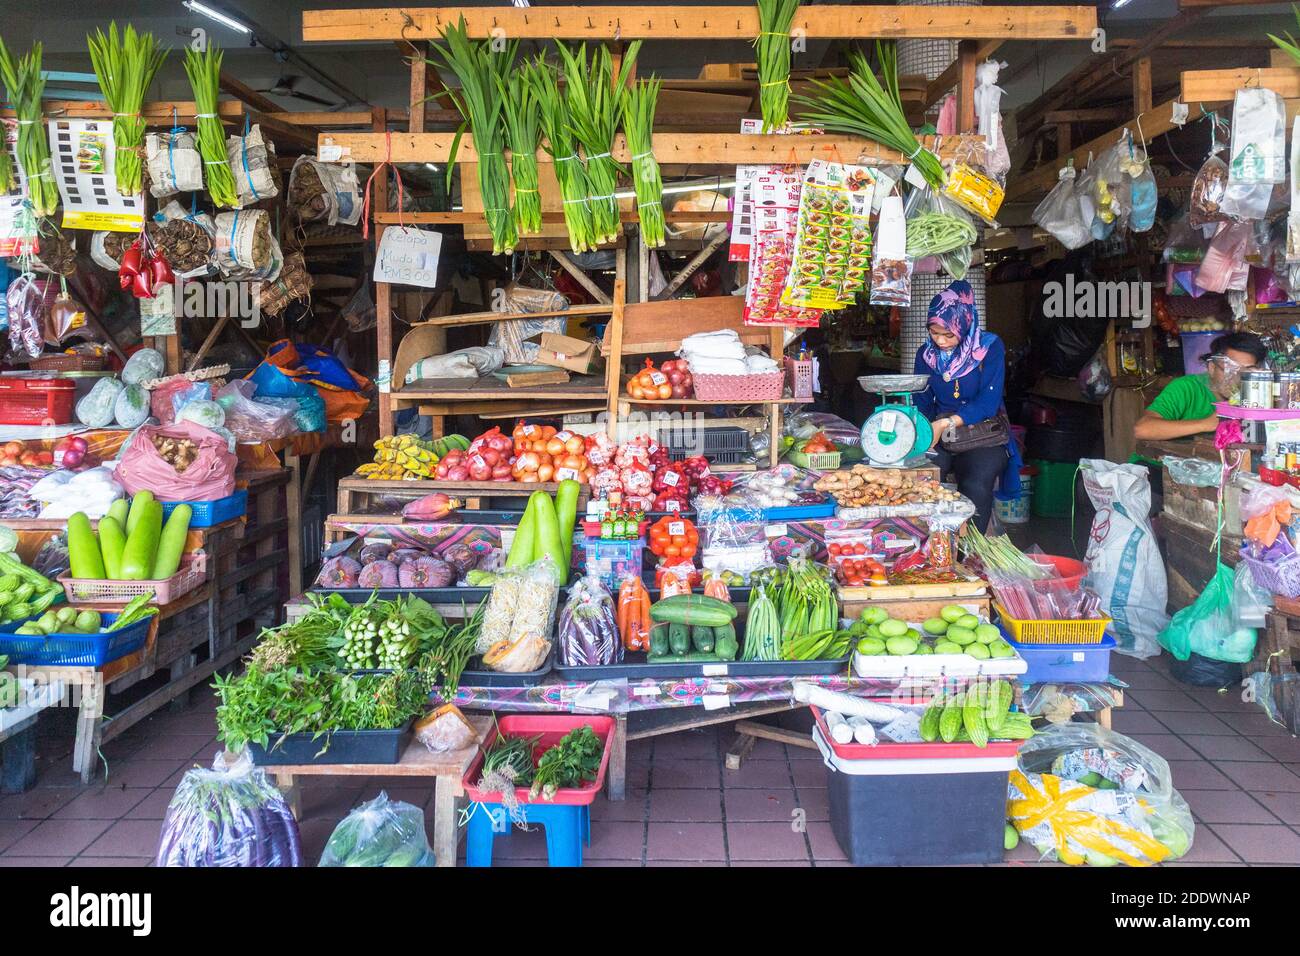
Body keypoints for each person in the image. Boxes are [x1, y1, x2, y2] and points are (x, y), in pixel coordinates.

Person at [913, 280, 1022, 534]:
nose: (940, 340)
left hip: (982, 432)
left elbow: (988, 402)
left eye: (948, 334)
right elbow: (923, 399)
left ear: (964, 324)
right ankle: (932, 550)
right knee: (923, 478)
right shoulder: (925, 355)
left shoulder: (989, 348)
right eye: (934, 332)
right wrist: (921, 432)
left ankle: (971, 551)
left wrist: (946, 423)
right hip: (941, 434)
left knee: (976, 483)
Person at [1133, 332, 1267, 441]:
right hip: (1158, 466)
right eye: (1230, 370)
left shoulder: (1254, 395)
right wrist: (1206, 424)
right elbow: (1142, 429)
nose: (1237, 378)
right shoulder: (1186, 388)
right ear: (1212, 367)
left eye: (1247, 371)